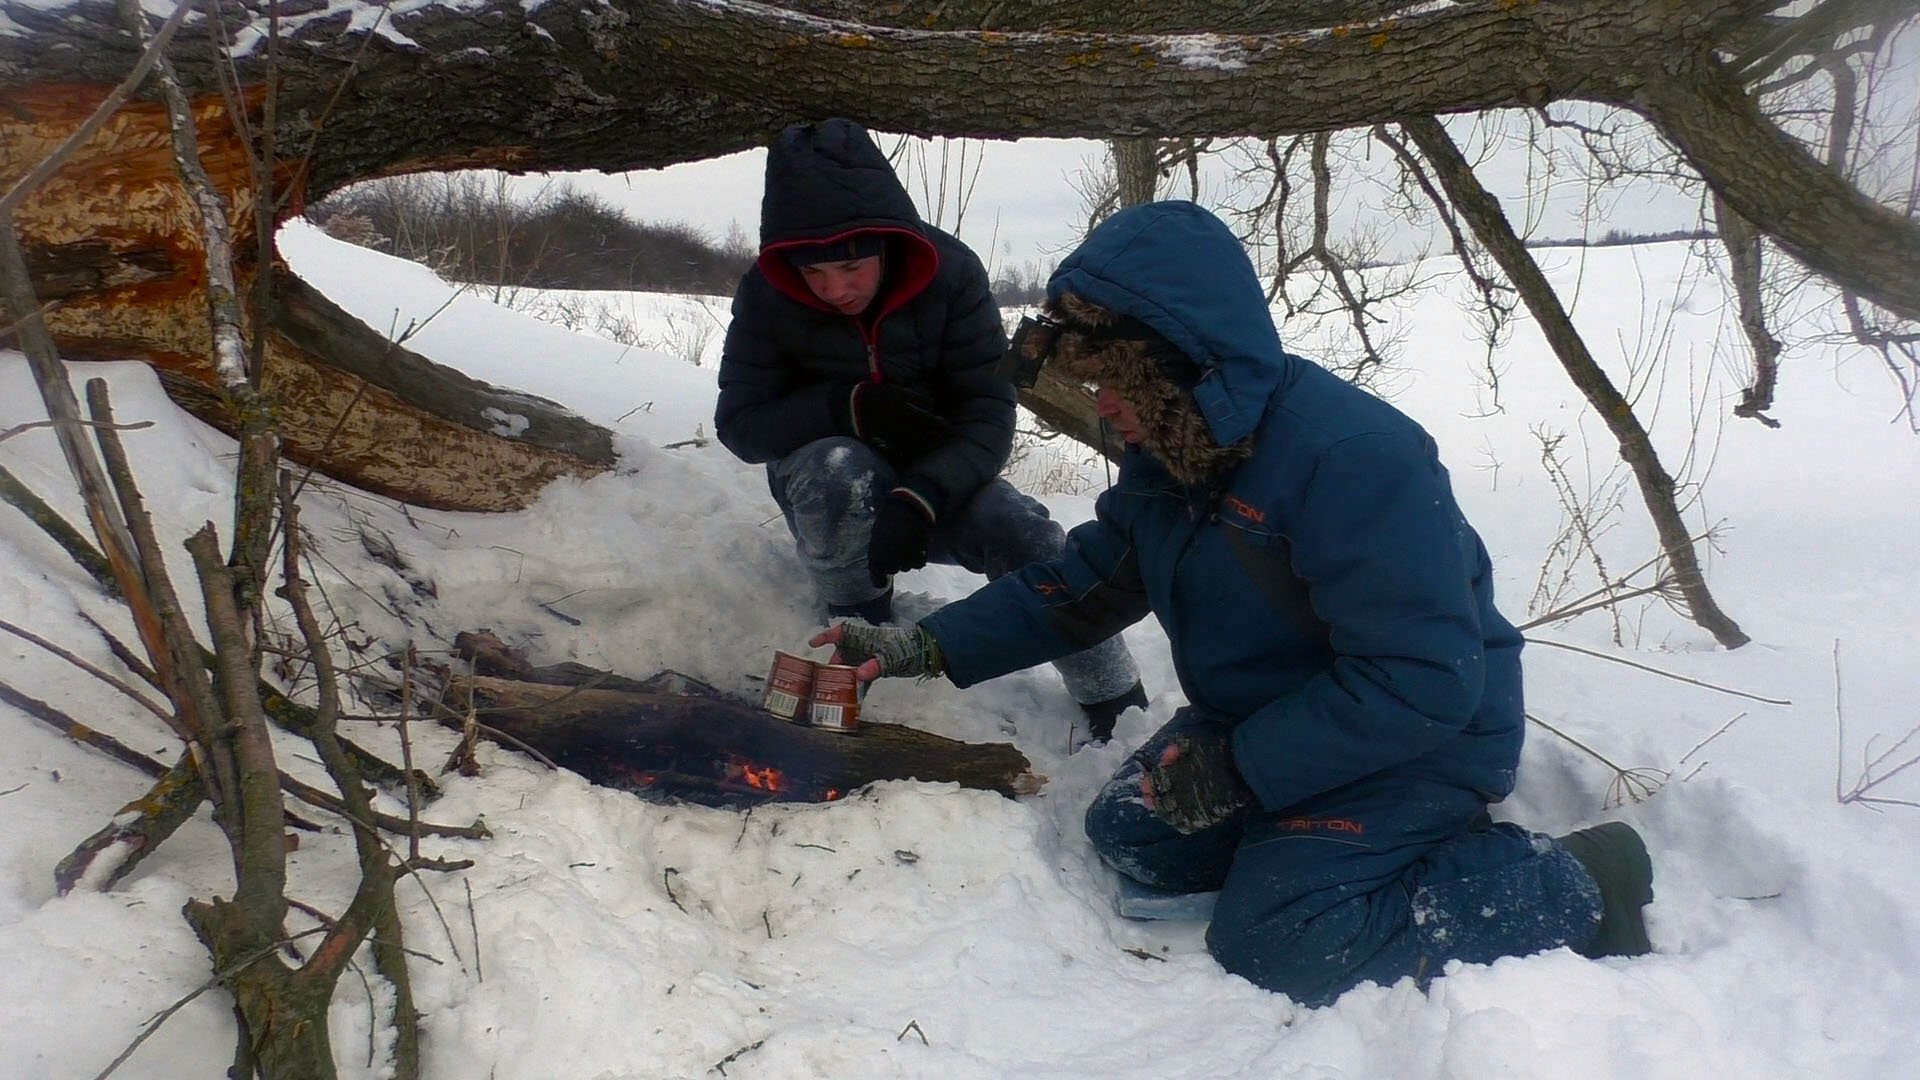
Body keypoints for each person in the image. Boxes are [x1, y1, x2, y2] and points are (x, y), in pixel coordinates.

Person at [813, 201, 1656, 1007]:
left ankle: (1580, 882)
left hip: (1418, 739)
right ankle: (1314, 838)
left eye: (1115, 382)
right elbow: (1081, 584)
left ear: (1179, 368)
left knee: (1282, 938)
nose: (1099, 406)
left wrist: (1244, 772)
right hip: (1265, 716)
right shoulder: (1171, 456)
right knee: (1132, 834)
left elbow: (1424, 680)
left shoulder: (1356, 459)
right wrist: (919, 647)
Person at [715, 118, 1146, 740]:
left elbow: (988, 413)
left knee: (1025, 533)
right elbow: (740, 425)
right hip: (824, 482)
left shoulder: (951, 274)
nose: (836, 290)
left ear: (885, 243)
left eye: (851, 267)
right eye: (814, 275)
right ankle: (856, 620)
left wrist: (924, 495)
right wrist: (849, 406)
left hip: (937, 475)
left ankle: (1115, 701)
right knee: (840, 469)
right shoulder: (767, 294)